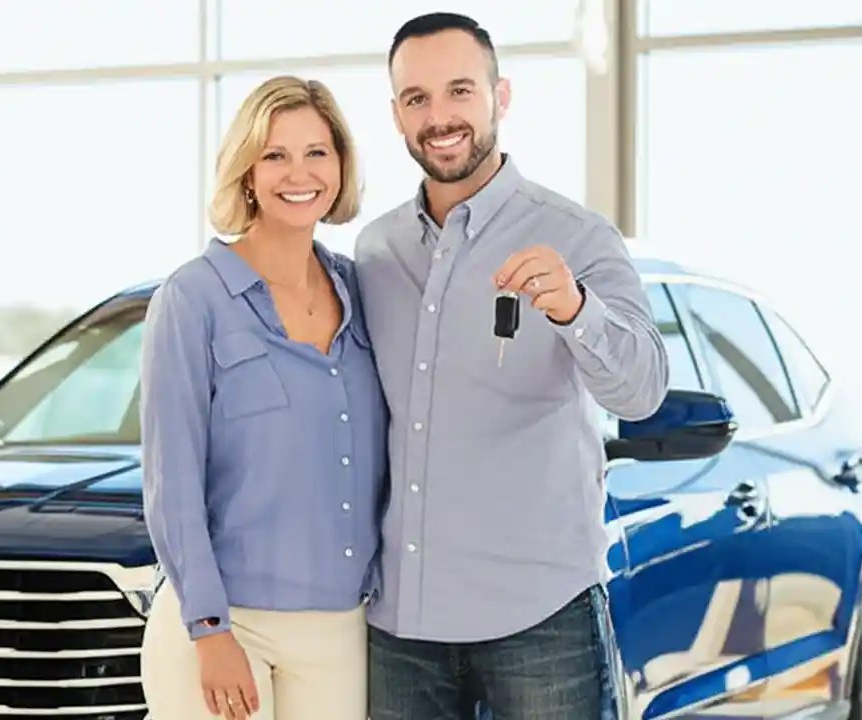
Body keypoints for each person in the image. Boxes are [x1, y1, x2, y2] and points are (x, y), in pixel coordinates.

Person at [353, 12, 670, 720]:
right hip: (401, 628)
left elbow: (643, 389)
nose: (440, 117)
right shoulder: (374, 254)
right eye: (417, 99)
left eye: (459, 91)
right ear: (397, 115)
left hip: (540, 622)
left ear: (501, 97)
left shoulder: (578, 236)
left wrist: (576, 309)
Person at [138, 75, 387, 720]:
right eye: (274, 155)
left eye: (316, 152)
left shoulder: (364, 294)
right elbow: (173, 481)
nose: (297, 173)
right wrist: (209, 628)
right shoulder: (192, 299)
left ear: (340, 166)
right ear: (247, 172)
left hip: (340, 628)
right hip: (227, 626)